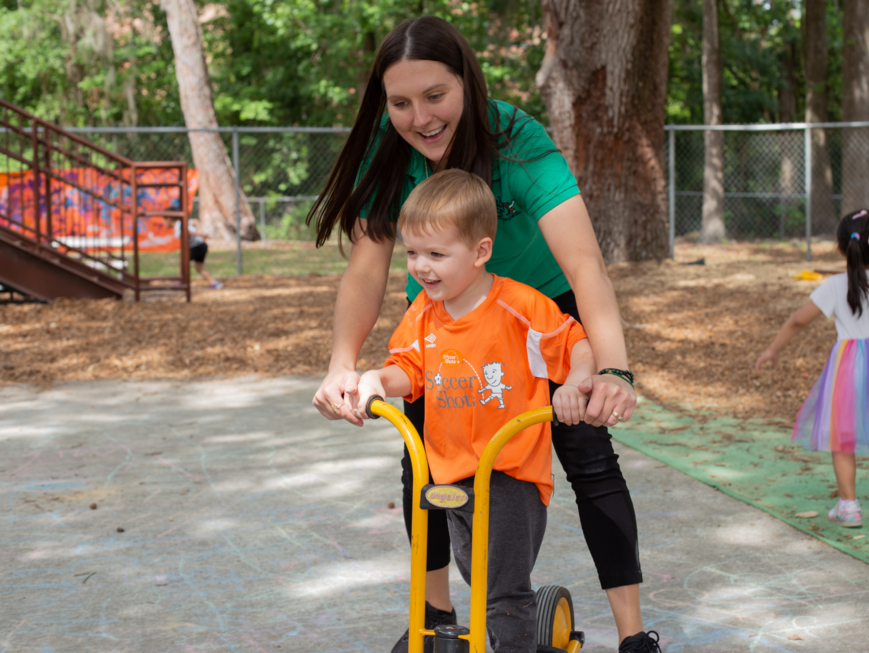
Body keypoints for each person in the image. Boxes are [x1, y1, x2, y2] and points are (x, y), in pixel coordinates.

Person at [306, 15, 656, 653]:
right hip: (446, 316)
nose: (420, 118)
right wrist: (342, 365)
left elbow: (585, 265)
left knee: (589, 456)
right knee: (423, 461)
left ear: (467, 81)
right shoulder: (389, 148)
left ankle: (634, 636)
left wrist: (612, 370)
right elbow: (366, 268)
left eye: (435, 95)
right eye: (400, 103)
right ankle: (435, 618)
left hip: (539, 309)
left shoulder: (517, 142)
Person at [349, 170, 595, 652]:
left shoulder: (520, 307)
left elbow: (576, 344)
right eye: (412, 253)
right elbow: (407, 369)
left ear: (481, 252)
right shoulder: (423, 312)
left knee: (502, 591)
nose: (421, 267)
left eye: (436, 255)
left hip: (510, 471)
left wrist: (576, 382)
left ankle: (514, 638)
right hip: (451, 471)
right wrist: (377, 379)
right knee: (476, 575)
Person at [755, 204, 869, 527]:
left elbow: (798, 320)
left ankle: (849, 506)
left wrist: (773, 349)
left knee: (842, 438)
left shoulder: (834, 286)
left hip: (849, 366)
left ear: (842, 249)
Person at [165, 215, 223, 289]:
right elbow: (195, 221)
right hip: (202, 245)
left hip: (196, 246)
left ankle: (179, 282)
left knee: (182, 262)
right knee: (199, 268)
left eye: (164, 221)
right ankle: (214, 283)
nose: (164, 223)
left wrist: (201, 234)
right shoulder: (182, 222)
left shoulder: (178, 226)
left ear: (168, 219)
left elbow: (187, 232)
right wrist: (201, 233)